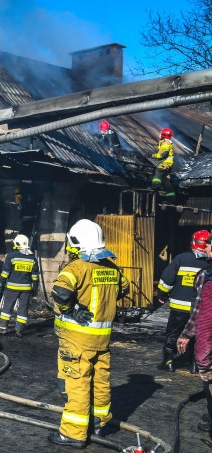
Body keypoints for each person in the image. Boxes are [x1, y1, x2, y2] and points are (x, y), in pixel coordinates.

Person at [47, 219, 129, 449]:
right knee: (101, 382)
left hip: (77, 340)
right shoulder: (112, 268)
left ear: (77, 242)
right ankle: (99, 422)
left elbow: (60, 292)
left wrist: (72, 309)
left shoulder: (76, 268)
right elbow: (123, 289)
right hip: (102, 340)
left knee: (77, 385)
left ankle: (73, 433)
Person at [154, 230, 212, 372]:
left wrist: (162, 295)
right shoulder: (208, 265)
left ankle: (168, 362)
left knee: (173, 334)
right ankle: (194, 365)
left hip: (179, 308)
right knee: (196, 336)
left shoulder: (181, 259)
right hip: (199, 310)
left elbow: (166, 280)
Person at [176, 233, 212, 448]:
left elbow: (201, 312)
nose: (207, 249)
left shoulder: (206, 276)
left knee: (209, 380)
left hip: (208, 338)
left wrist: (187, 335)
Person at [0, 234, 40, 337]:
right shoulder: (32, 258)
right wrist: (35, 288)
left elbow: (5, 273)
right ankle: (19, 331)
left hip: (12, 288)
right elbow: (35, 276)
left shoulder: (11, 256)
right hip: (26, 289)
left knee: (7, 308)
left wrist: (1, 283)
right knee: (23, 309)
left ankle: (2, 329)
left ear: (17, 243)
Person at [151, 127, 176, 197]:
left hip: (165, 164)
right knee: (165, 180)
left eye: (161, 133)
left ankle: (155, 186)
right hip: (169, 165)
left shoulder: (165, 144)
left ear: (163, 135)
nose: (160, 134)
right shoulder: (167, 143)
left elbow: (162, 155)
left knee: (158, 172)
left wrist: (151, 155)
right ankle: (171, 196)